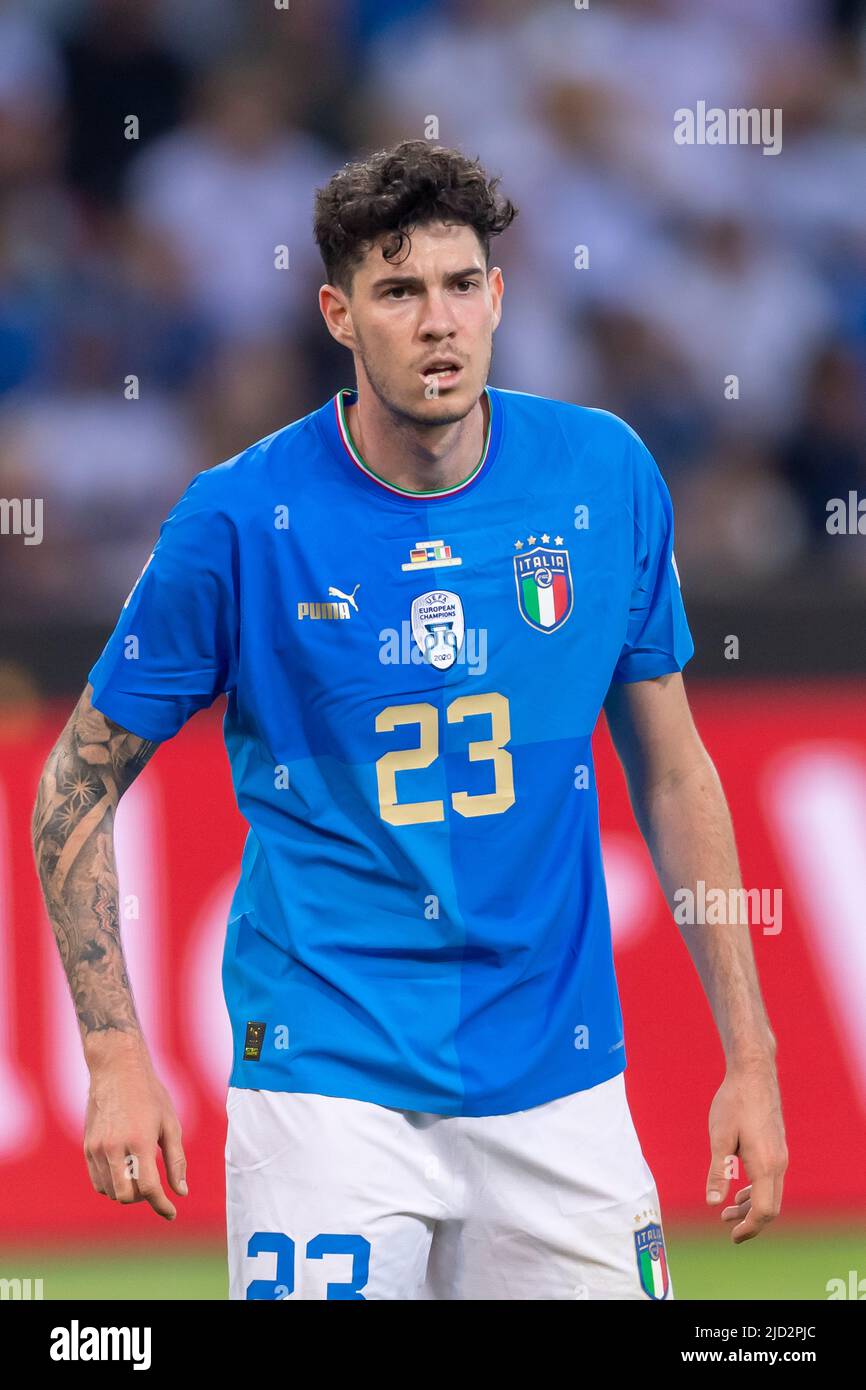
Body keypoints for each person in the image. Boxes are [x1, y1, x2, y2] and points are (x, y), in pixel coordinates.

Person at [32, 139, 787, 1300]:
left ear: (498, 296)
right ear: (337, 313)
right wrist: (115, 1050)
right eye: (396, 292)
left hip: (559, 1081)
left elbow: (676, 774)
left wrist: (750, 1052)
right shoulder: (241, 519)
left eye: (456, 285)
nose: (435, 322)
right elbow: (75, 780)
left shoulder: (603, 475)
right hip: (322, 1089)